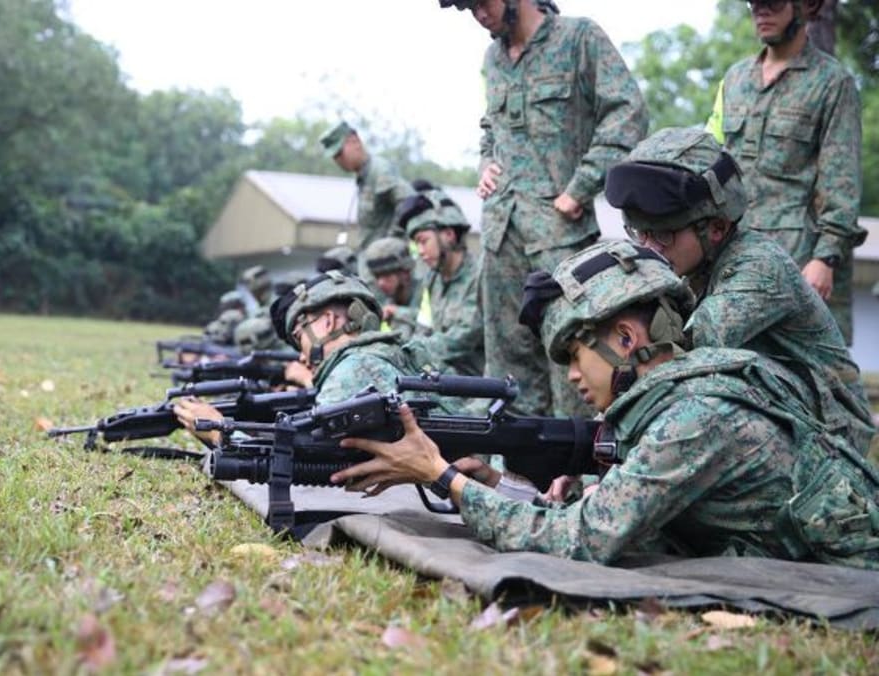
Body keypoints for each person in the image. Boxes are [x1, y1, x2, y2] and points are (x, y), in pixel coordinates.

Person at [332, 240, 879, 568]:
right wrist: (489, 485)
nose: (570, 375)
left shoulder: (694, 418)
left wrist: (438, 475)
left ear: (625, 339)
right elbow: (600, 517)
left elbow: (580, 542)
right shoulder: (673, 403)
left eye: (575, 353)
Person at [605, 126, 873, 457]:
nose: (647, 249)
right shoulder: (689, 266)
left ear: (716, 228)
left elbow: (673, 358)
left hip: (827, 442)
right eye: (638, 233)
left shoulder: (759, 266)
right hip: (775, 420)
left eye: (662, 236)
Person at [444, 0, 648, 416]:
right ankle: (518, 473)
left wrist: (582, 186)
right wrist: (486, 164)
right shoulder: (494, 57)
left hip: (560, 234)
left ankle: (574, 475)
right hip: (501, 233)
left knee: (574, 356)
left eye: (482, 4)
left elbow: (627, 112)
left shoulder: (578, 38)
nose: (478, 15)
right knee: (507, 364)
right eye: (468, 9)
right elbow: (491, 127)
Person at [706, 0, 866, 343]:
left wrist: (826, 257)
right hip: (736, 258)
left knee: (814, 381)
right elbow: (711, 159)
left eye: (773, 4)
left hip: (801, 263)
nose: (761, 12)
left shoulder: (832, 83)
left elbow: (841, 181)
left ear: (806, 7)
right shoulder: (734, 79)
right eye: (755, 4)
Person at [174, 271, 424, 444]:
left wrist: (218, 430)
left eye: (299, 336)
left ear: (328, 321)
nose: (302, 356)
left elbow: (296, 452)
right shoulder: (379, 355)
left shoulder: (354, 368)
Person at [398, 190, 485, 377]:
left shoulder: (479, 276)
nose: (420, 251)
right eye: (416, 244)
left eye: (423, 241)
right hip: (440, 376)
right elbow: (423, 327)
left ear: (448, 235)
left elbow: (466, 336)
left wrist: (414, 350)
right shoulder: (432, 279)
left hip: (478, 387)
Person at [318, 121, 416, 282]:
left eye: (339, 153)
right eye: (335, 157)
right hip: (369, 266)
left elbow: (408, 201)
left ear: (354, 141)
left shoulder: (379, 170)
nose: (338, 161)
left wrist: (390, 242)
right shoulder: (363, 176)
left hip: (384, 270)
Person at [363, 236, 428, 342]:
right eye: (377, 276)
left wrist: (397, 312)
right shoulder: (387, 300)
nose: (381, 283)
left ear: (405, 273)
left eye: (387, 275)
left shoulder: (427, 291)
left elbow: (437, 320)